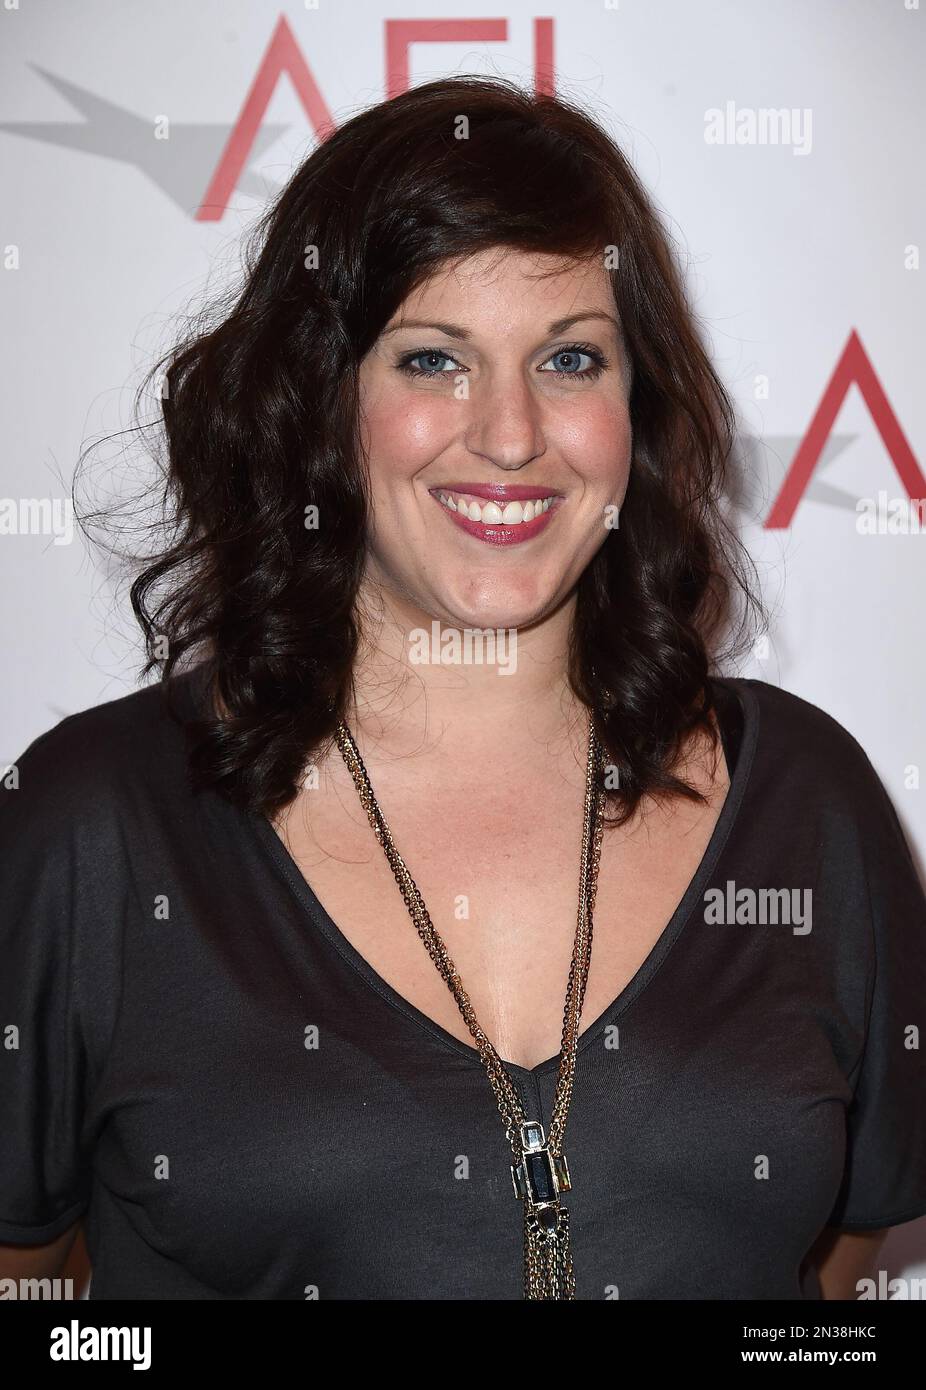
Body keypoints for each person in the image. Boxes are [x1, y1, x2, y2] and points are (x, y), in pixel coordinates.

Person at [1, 75, 924, 1302]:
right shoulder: (90, 822)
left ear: (632, 410)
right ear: (325, 401)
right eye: (433, 358)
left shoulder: (807, 804)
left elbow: (820, 1279)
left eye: (569, 358)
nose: (506, 433)